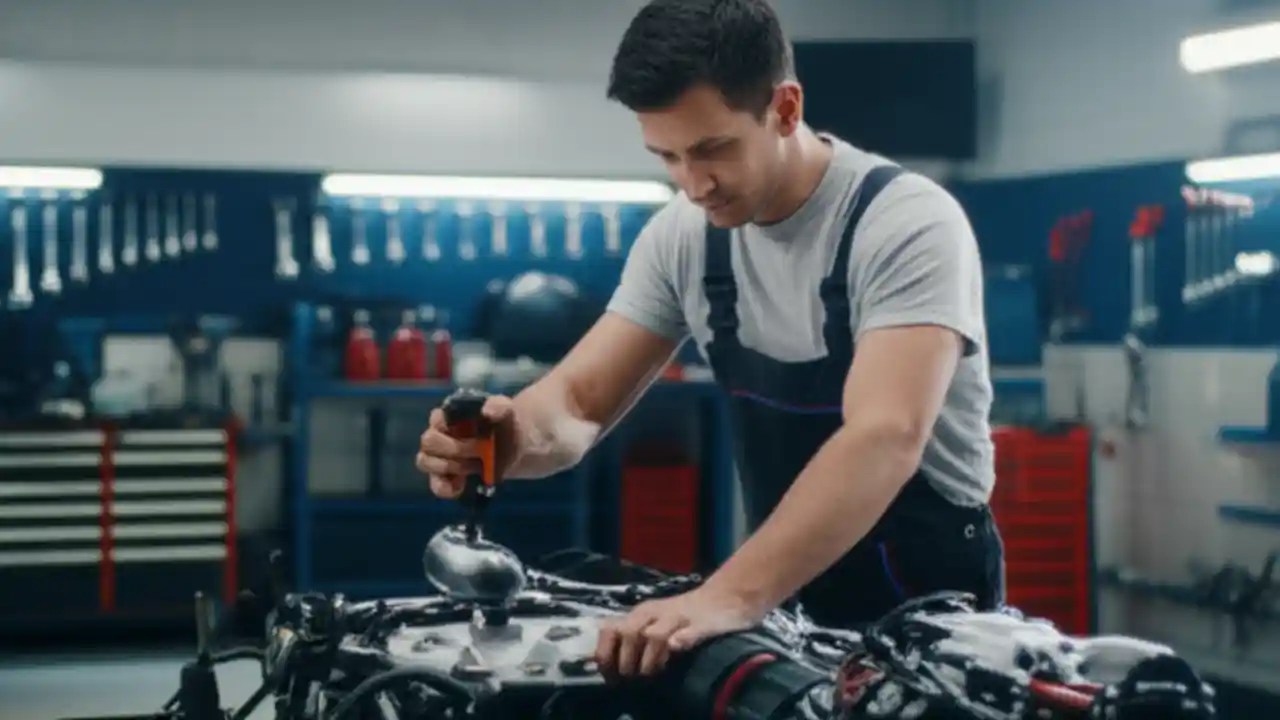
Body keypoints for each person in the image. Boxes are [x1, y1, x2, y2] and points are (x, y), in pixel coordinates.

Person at [416, 0, 1003, 681]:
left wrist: (729, 595)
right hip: (787, 599)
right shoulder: (686, 237)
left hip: (929, 616)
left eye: (712, 149)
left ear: (785, 109)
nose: (693, 184)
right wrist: (515, 437)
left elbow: (886, 435)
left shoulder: (905, 223)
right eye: (667, 156)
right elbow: (577, 402)